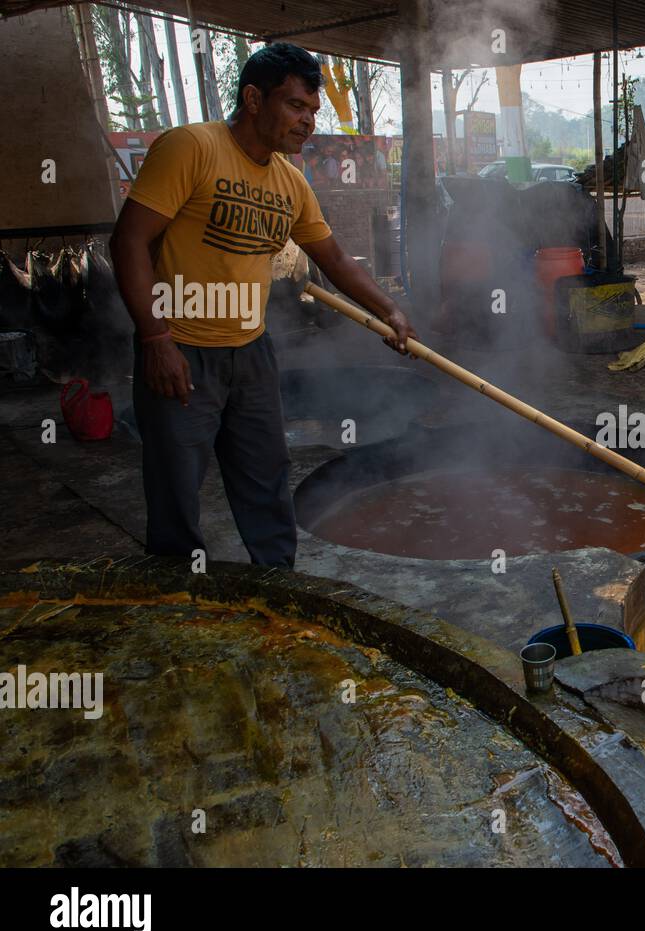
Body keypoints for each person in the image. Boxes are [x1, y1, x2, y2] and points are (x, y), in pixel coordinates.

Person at [108, 42, 417, 568]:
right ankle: (181, 600)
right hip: (183, 352)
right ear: (253, 98)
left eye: (313, 111)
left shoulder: (289, 181)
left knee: (267, 482)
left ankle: (279, 587)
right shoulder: (191, 148)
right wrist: (156, 339)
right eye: (296, 106)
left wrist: (387, 308)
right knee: (176, 491)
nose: (307, 123)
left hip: (251, 352)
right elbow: (128, 241)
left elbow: (335, 258)